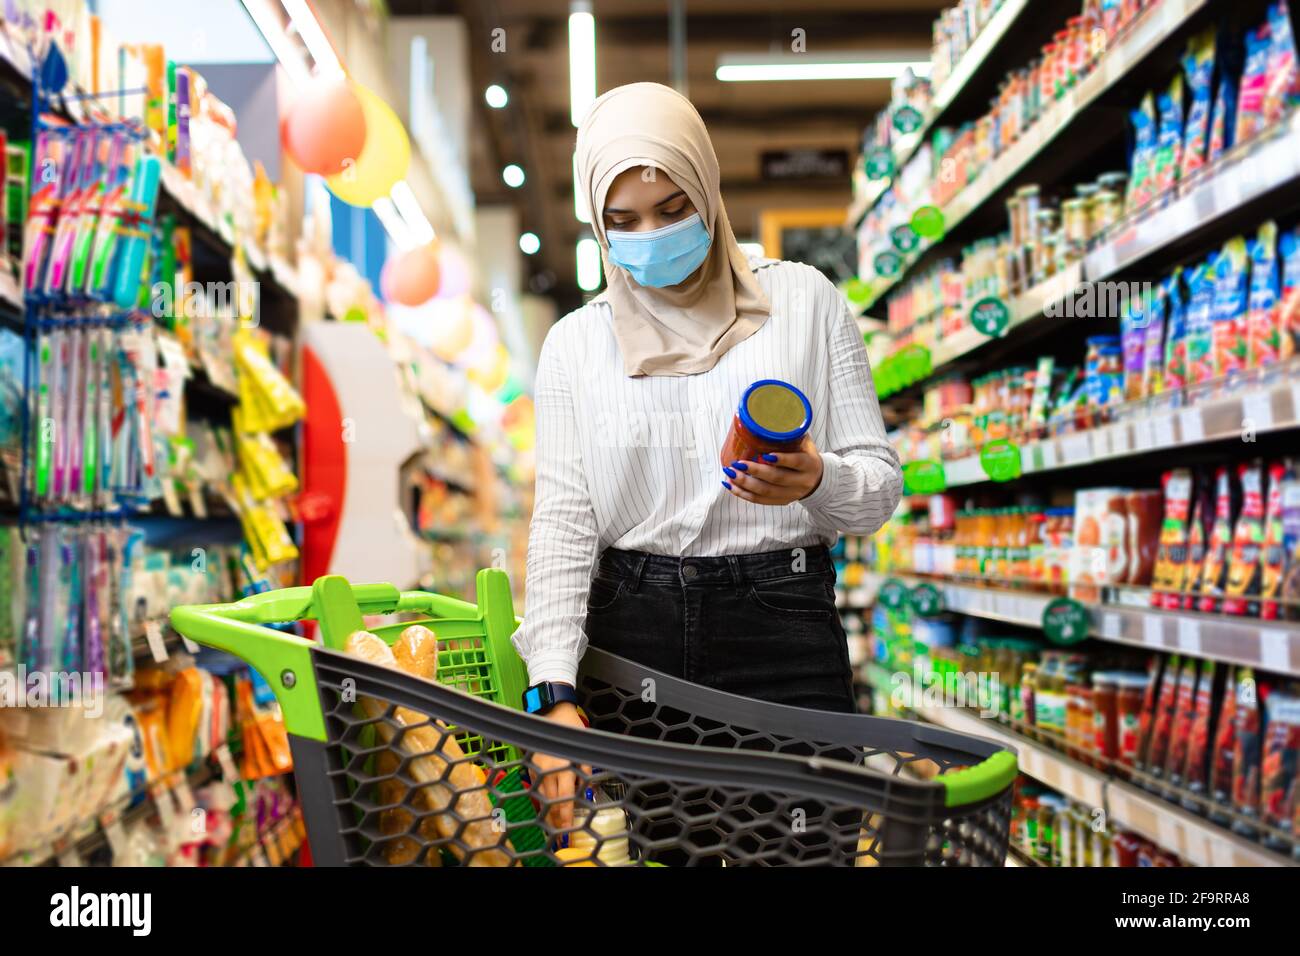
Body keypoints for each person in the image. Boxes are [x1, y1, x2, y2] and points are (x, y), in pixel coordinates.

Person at [511, 82, 902, 829]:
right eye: (621, 222)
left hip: (782, 625)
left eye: (672, 209)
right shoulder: (575, 345)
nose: (650, 237)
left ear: (707, 187)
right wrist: (553, 688)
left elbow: (879, 491)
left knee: (806, 845)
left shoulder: (806, 303)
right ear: (597, 223)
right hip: (633, 634)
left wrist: (819, 479)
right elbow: (564, 522)